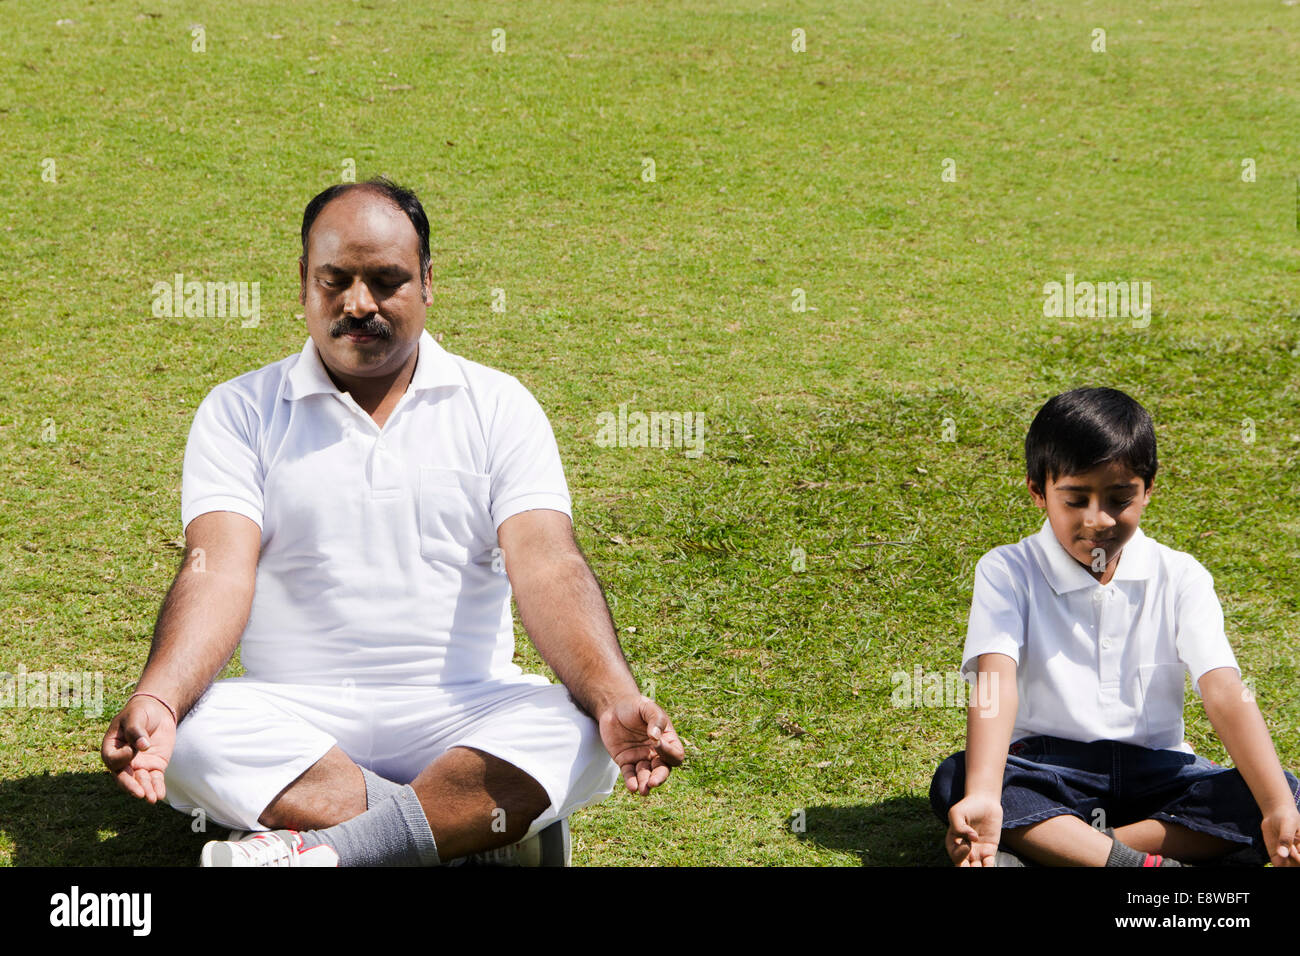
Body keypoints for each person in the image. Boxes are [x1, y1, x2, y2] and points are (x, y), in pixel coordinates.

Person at [100, 177, 684, 867]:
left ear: (427, 282)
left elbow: (548, 564)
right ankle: (472, 834)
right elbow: (217, 570)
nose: (358, 303)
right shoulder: (240, 410)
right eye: (335, 280)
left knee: (583, 728)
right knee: (194, 733)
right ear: (303, 281)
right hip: (294, 713)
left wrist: (614, 698)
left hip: (468, 711)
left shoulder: (499, 405)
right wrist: (161, 697)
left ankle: (321, 850)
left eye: (386, 281)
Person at [930, 386, 1300, 866]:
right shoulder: (1008, 570)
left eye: (1119, 498)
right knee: (961, 777)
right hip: (1047, 770)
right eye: (1075, 499)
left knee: (1283, 791)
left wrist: (1276, 805)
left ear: (1148, 489)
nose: (1098, 520)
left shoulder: (1180, 575)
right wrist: (983, 793)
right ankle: (1130, 862)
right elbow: (994, 681)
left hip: (1158, 775)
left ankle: (1066, 851)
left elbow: (1224, 689)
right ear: (1038, 491)